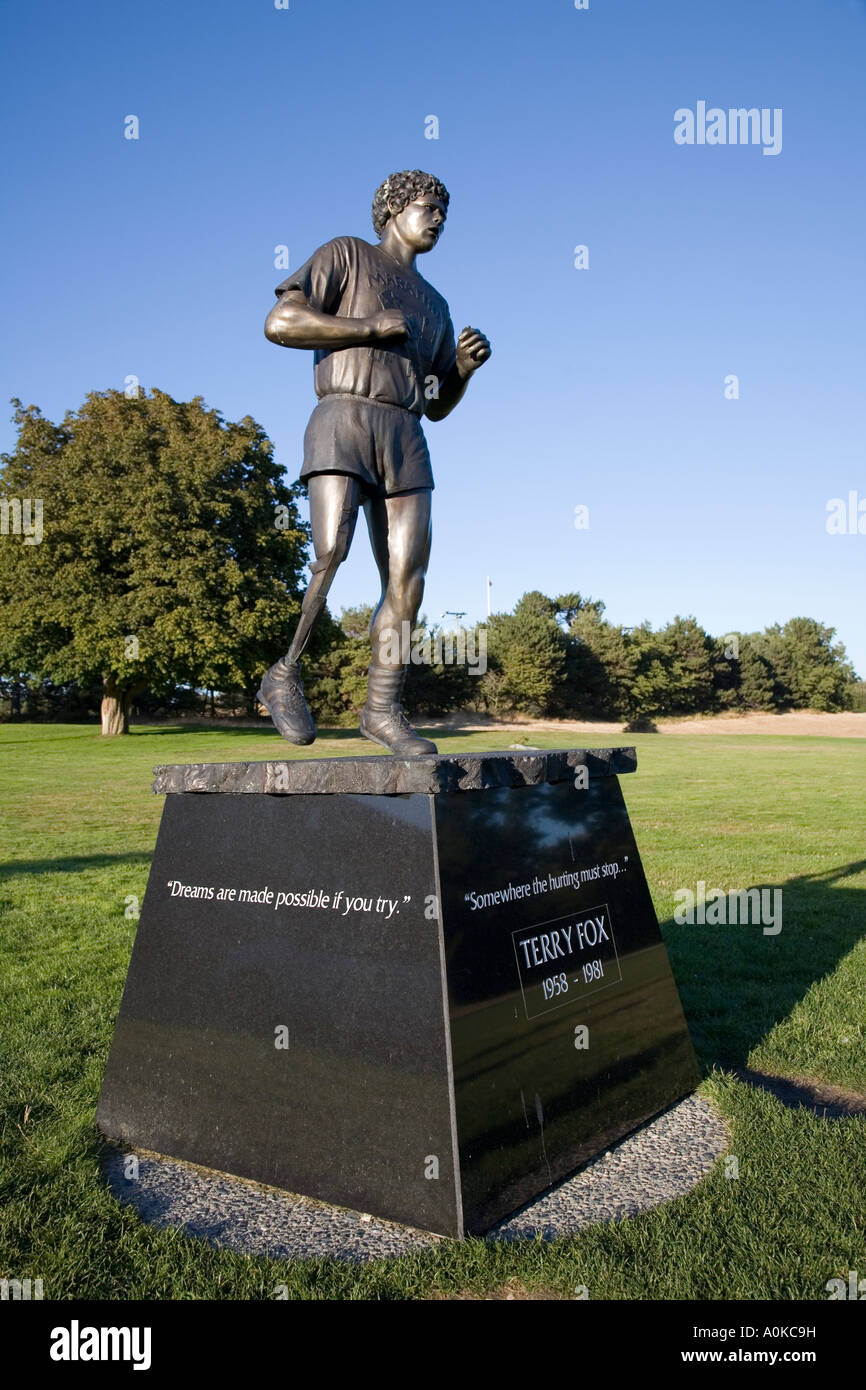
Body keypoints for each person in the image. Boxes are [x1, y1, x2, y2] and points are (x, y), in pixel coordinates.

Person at [257, 169, 491, 757]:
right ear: (392, 209)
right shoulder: (347, 254)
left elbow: (436, 405)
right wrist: (366, 327)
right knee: (331, 552)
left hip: (407, 431)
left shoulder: (435, 304)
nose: (438, 218)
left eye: (444, 211)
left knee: (407, 579)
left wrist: (460, 369)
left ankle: (382, 710)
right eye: (428, 206)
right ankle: (283, 673)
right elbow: (280, 323)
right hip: (343, 415)